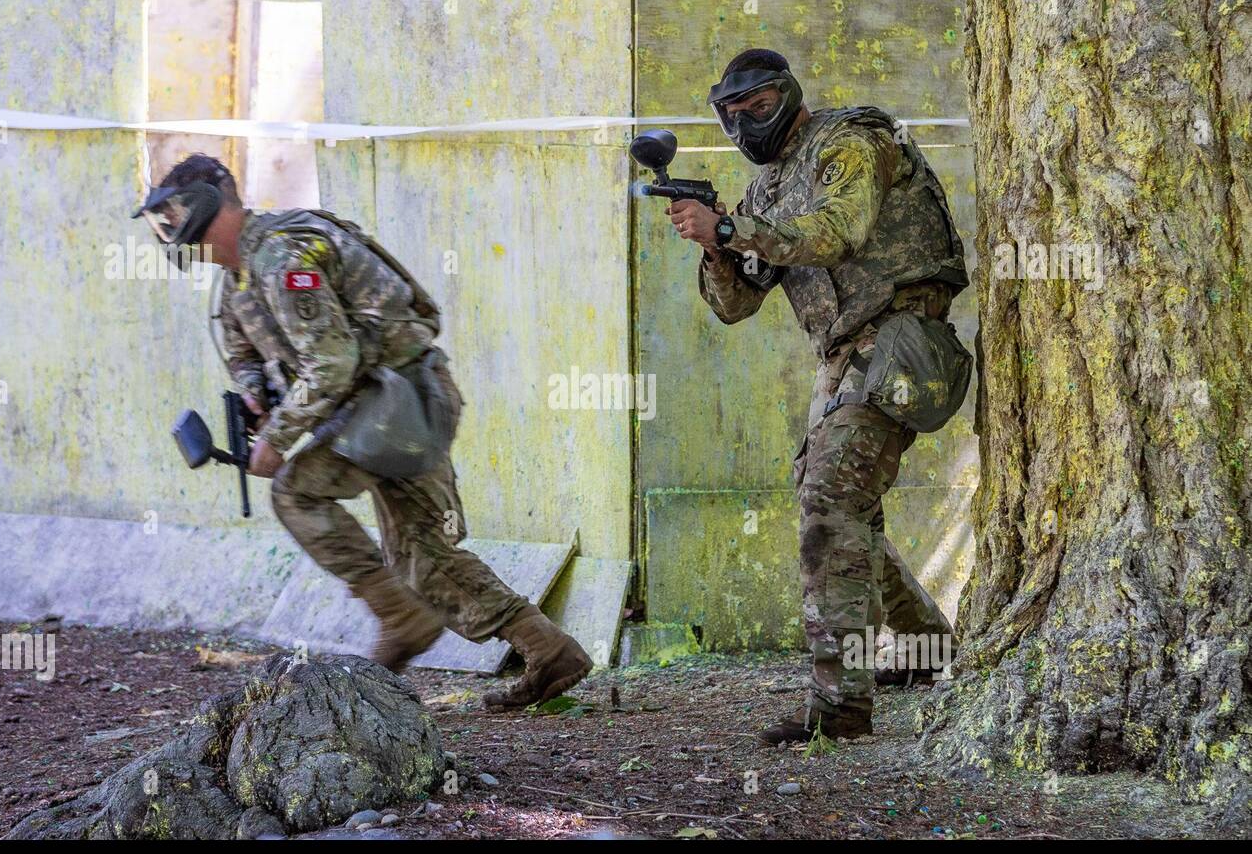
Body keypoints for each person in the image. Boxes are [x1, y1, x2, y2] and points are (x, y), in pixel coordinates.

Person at [134, 154, 591, 710]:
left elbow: (331, 359)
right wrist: (257, 396)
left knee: (297, 492)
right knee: (421, 553)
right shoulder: (240, 278)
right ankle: (547, 650)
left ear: (208, 204)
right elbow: (245, 347)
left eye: (176, 211)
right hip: (373, 409)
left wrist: (277, 438)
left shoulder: (280, 255)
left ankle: (402, 620)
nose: (171, 227)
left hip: (399, 403)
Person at [666, 49, 967, 744]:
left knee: (831, 507)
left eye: (759, 107)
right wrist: (714, 245)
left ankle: (841, 707)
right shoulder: (765, 193)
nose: (747, 125)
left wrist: (731, 229)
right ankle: (928, 646)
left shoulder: (849, 141)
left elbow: (839, 233)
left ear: (789, 94)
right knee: (838, 507)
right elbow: (736, 304)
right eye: (732, 115)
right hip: (845, 360)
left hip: (902, 340)